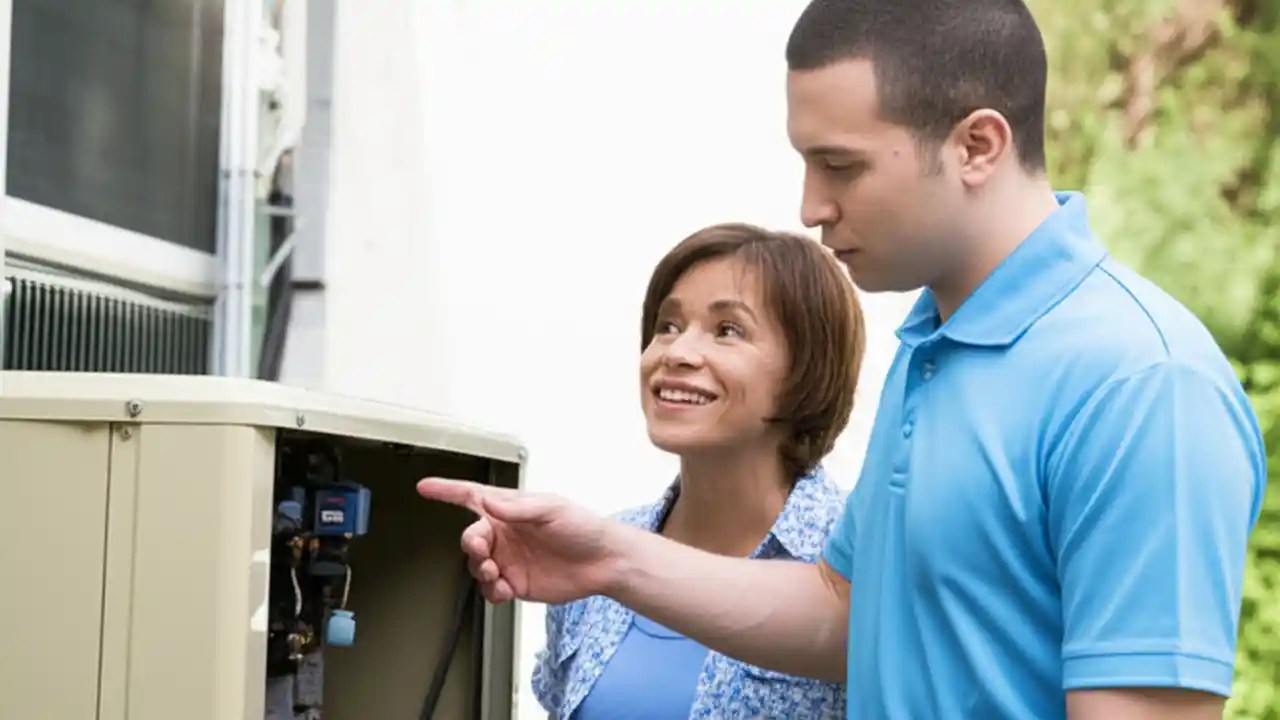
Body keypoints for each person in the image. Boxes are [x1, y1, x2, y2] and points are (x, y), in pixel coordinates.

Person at [419, 1, 1269, 718]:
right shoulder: (934, 350)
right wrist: (610, 559)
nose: (810, 207)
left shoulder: (1142, 386)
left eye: (840, 166)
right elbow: (844, 614)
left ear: (978, 145)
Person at [531, 223, 863, 719]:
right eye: (667, 326)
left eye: (728, 330)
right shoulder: (592, 553)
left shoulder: (860, 562)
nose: (677, 353)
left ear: (807, 369)